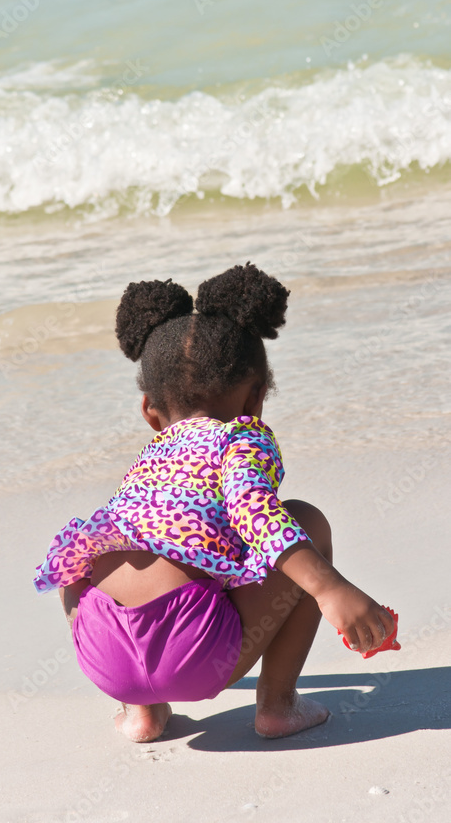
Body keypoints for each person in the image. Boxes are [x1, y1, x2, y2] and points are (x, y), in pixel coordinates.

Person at [33, 263, 396, 743]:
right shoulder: (239, 438)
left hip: (104, 654)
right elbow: (255, 510)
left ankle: (140, 711)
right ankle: (278, 706)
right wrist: (330, 589)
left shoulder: (151, 457)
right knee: (303, 521)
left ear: (150, 412)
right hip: (197, 655)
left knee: (80, 553)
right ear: (257, 398)